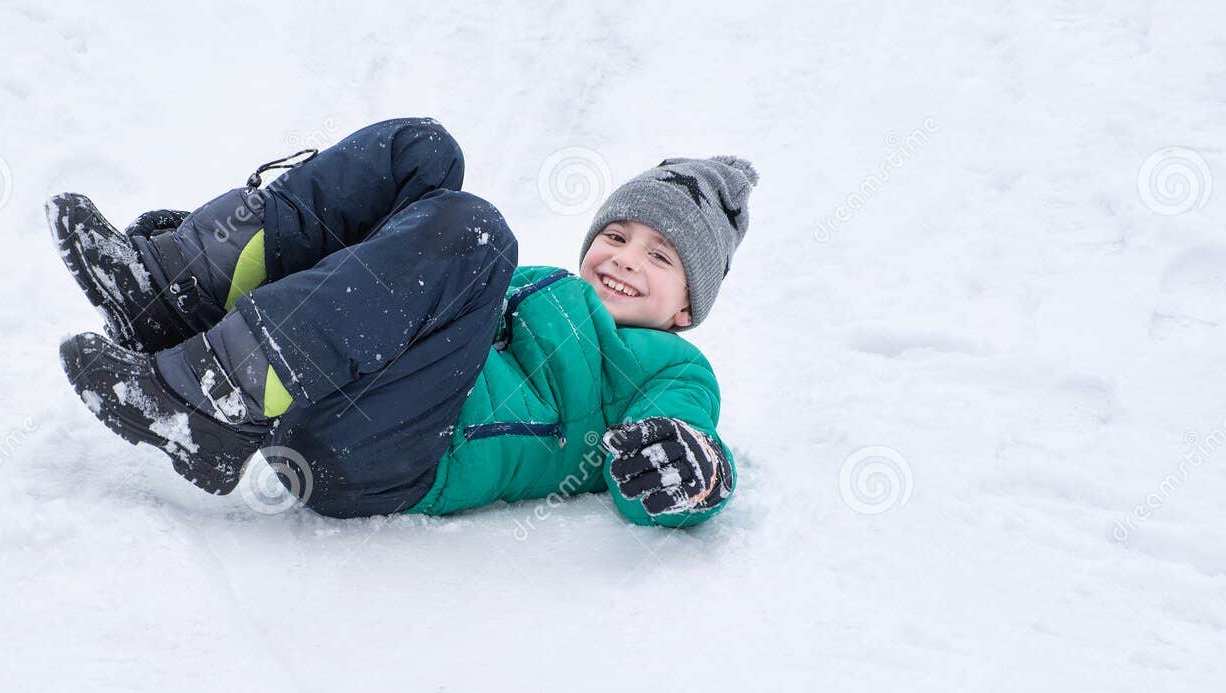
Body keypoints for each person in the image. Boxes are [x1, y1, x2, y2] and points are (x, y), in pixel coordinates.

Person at [48, 116, 757, 528]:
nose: (626, 258)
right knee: (422, 150)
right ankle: (174, 290)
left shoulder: (672, 365)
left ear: (687, 307)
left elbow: (688, 438)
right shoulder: (543, 286)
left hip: (400, 455)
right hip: (329, 391)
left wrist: (696, 471)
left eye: (660, 255)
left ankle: (217, 402)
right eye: (618, 234)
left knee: (474, 233)